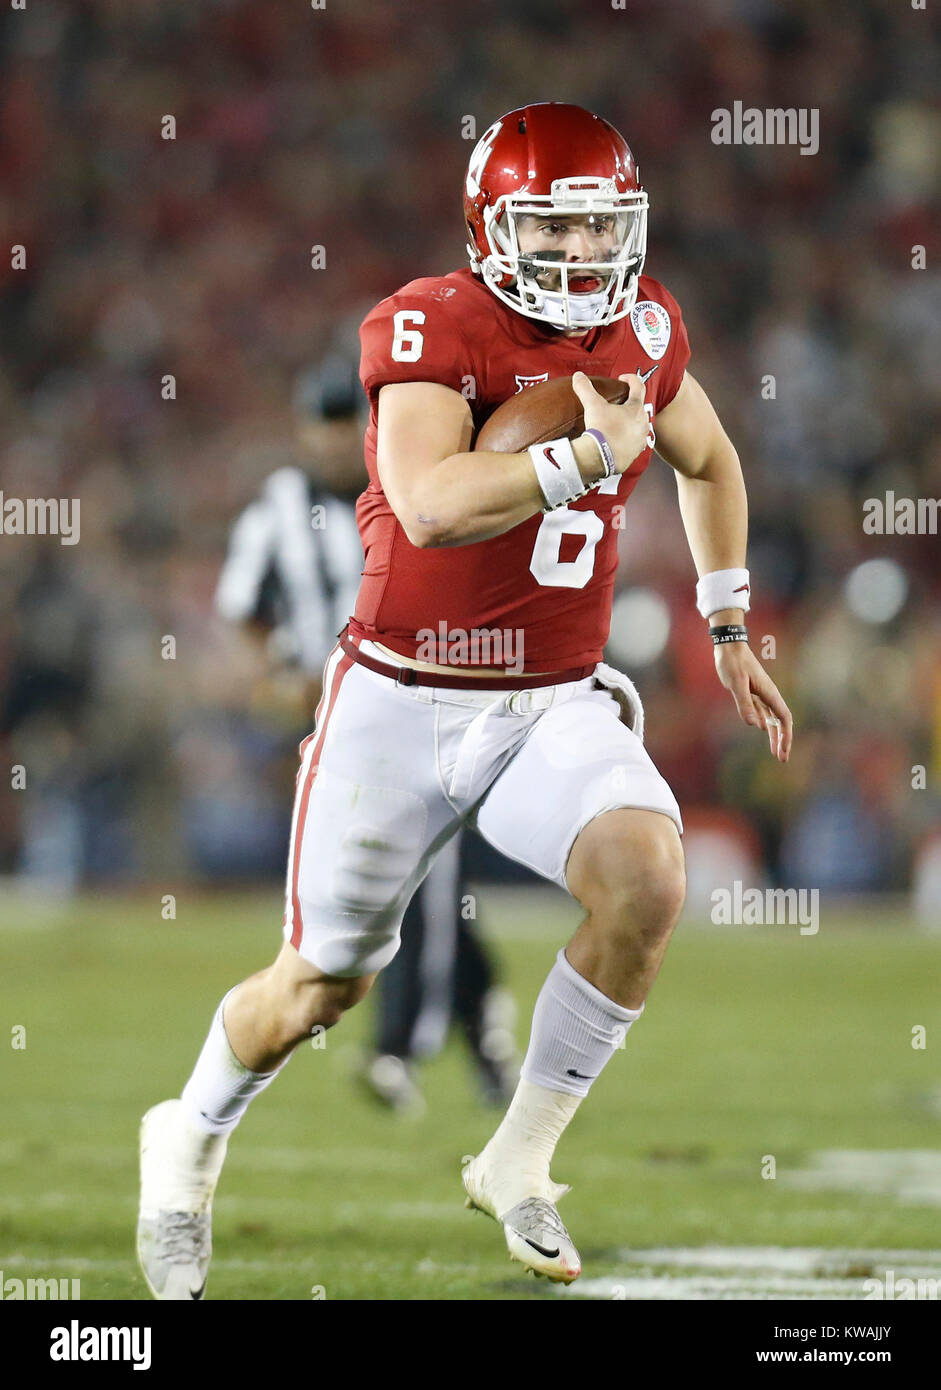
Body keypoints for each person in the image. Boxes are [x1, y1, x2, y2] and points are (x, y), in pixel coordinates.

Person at [137, 101, 792, 1298]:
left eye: (601, 228)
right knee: (320, 987)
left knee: (645, 874)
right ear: (495, 227)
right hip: (401, 694)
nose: (584, 254)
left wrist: (727, 615)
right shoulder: (431, 321)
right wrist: (586, 455)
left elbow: (709, 459)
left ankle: (517, 1155)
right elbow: (432, 501)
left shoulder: (644, 330)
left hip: (548, 698)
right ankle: (185, 1139)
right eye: (555, 228)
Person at [214, 355, 517, 1113]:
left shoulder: (413, 484)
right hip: (335, 724)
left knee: (426, 881)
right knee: (398, 883)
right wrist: (280, 671)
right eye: (323, 424)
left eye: (346, 422)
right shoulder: (278, 509)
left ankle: (394, 1048)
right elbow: (244, 606)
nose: (333, 439)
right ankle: (485, 1027)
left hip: (422, 710)